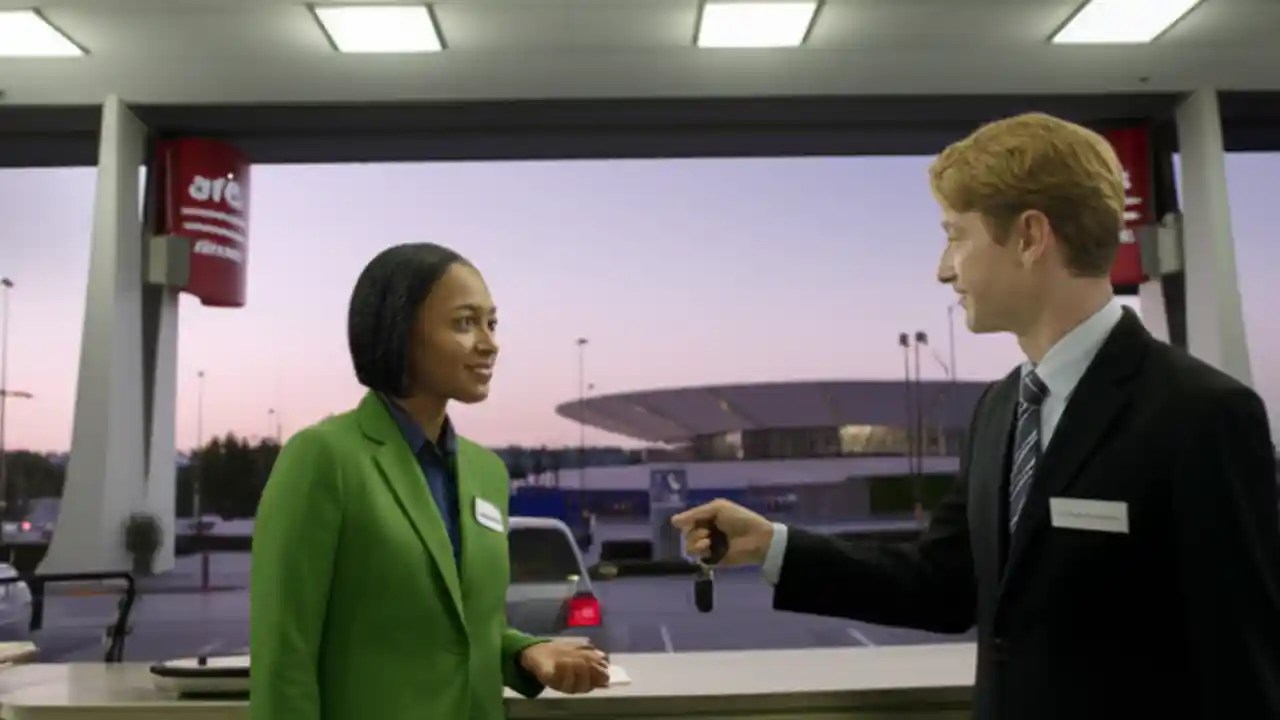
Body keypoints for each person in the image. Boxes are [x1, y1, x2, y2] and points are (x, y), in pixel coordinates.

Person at [673, 112, 1280, 719]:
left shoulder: (1203, 416)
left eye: (956, 236)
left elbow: (1243, 667)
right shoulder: (1000, 407)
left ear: (1029, 236)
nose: (943, 268)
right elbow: (945, 583)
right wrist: (771, 545)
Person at [251, 243, 610, 720]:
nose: (489, 343)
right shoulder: (323, 458)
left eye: (492, 323)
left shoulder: (487, 473)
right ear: (399, 330)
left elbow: (466, 630)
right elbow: (284, 657)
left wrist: (526, 652)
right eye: (465, 323)